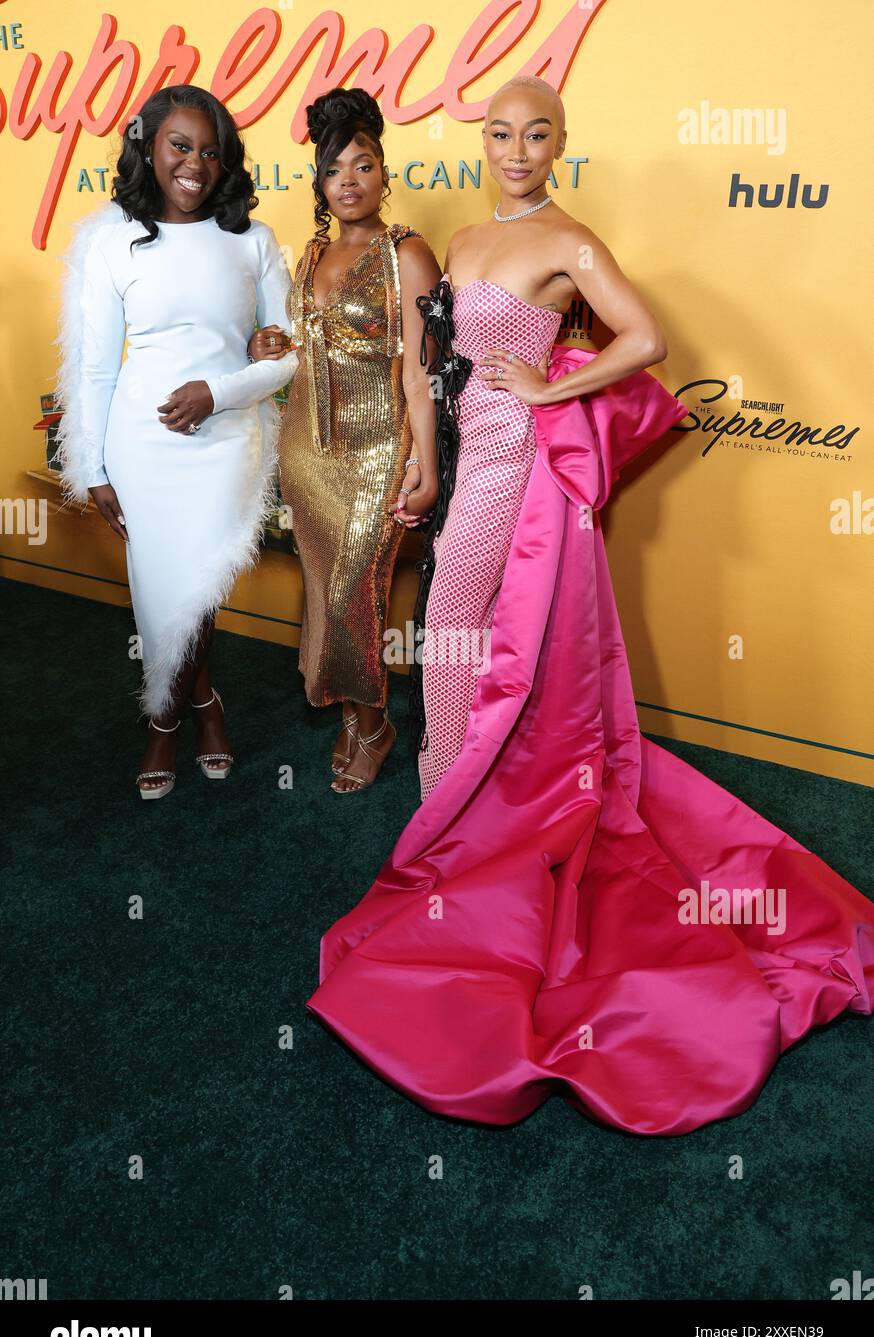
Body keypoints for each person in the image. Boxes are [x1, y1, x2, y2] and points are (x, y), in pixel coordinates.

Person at [305, 77, 874, 1135]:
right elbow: (433, 358)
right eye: (500, 132)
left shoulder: (570, 240)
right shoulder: (468, 234)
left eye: (536, 133)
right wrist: (428, 456)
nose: (516, 148)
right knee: (456, 651)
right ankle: (454, 822)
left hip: (512, 467)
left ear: (562, 143)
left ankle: (442, 833)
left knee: (449, 646)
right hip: (461, 453)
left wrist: (550, 389)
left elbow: (645, 341)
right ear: (484, 141)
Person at [56, 85, 299, 799]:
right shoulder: (111, 238)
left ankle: (171, 713)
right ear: (149, 147)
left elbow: (284, 356)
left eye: (210, 151)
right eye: (181, 146)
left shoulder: (252, 241)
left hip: (227, 442)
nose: (195, 163)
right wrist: (94, 465)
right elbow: (96, 366)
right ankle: (190, 707)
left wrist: (214, 393)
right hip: (141, 446)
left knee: (198, 584)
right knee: (158, 587)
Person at [261, 87, 440, 793]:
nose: (349, 182)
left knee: (353, 592)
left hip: (377, 451)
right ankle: (353, 719)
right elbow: (300, 351)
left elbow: (423, 373)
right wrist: (272, 341)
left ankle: (377, 724)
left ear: (383, 174)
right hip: (307, 449)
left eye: (362, 166)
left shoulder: (408, 255)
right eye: (335, 170)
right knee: (322, 589)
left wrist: (422, 459)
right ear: (320, 184)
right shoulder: (308, 257)